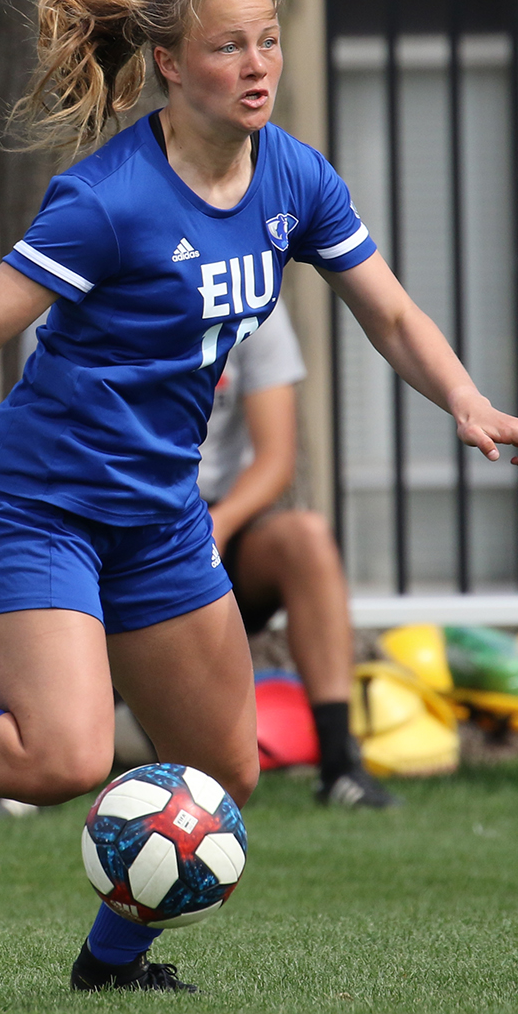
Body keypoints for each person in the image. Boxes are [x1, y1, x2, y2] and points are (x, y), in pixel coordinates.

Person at [0, 0, 518, 993]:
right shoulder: (108, 200)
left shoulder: (295, 177)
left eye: (267, 42)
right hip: (41, 510)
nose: (258, 66)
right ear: (171, 63)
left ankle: (107, 970)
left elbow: (390, 313)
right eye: (229, 47)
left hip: (160, 520)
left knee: (227, 774)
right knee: (63, 759)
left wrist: (470, 402)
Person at [199, 301, 395, 808]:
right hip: (118, 523)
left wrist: (214, 525)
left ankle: (339, 765)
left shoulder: (248, 288)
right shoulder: (79, 280)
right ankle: (29, 762)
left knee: (305, 538)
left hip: (212, 524)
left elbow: (276, 458)